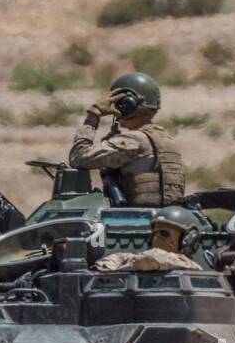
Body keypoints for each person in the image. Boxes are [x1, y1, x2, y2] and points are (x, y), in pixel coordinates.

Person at [68, 72, 186, 207]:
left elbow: (78, 157)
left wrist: (93, 116)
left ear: (127, 104)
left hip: (137, 220)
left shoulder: (134, 141)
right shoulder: (167, 139)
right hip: (167, 219)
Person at [93, 206, 203, 272]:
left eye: (164, 233)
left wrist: (122, 268)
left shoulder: (190, 267)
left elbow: (154, 257)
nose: (156, 238)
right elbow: (117, 259)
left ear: (188, 241)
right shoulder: (145, 263)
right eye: (154, 233)